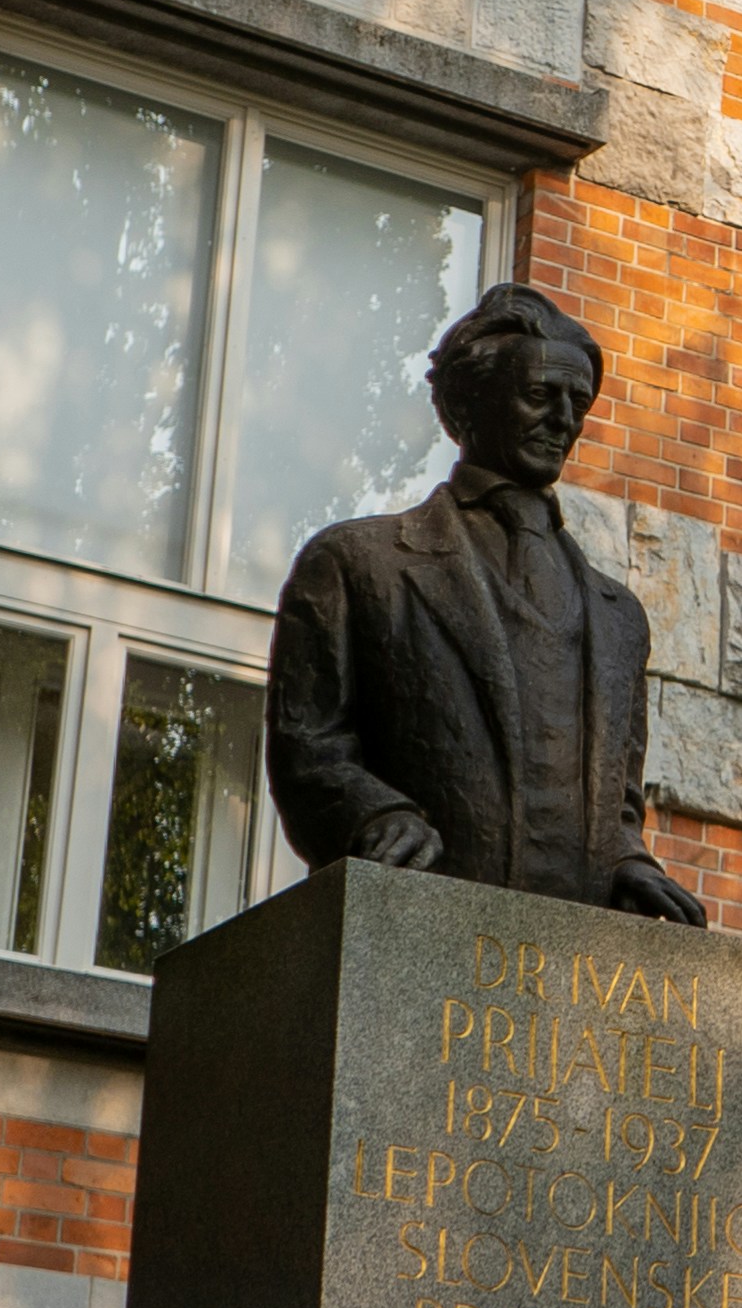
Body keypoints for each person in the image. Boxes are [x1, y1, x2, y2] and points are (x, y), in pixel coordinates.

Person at [259, 281, 705, 922]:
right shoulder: (360, 564)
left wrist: (626, 861)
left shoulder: (618, 617)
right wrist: (374, 815)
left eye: (578, 402)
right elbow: (310, 741)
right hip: (421, 924)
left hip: (573, 964)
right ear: (472, 400)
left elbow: (619, 801)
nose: (564, 420)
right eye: (538, 395)